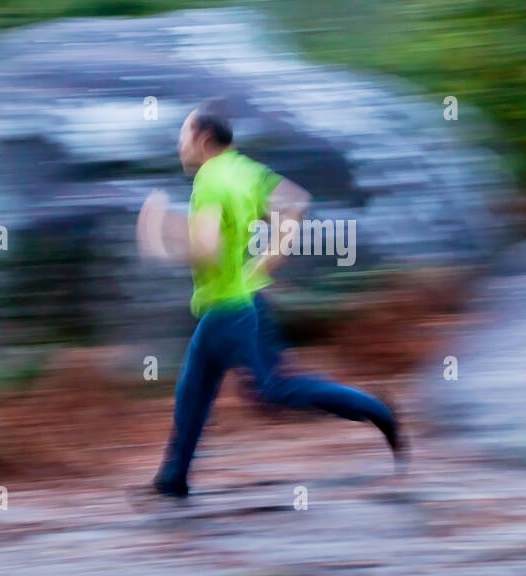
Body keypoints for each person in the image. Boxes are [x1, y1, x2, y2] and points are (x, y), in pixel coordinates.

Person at [136, 100, 404, 498]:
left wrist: (156, 238)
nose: (179, 146)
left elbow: (206, 249)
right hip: (236, 302)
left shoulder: (209, 178)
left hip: (231, 308)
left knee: (273, 389)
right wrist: (269, 259)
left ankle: (375, 409)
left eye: (182, 136)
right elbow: (295, 202)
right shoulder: (245, 170)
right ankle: (173, 479)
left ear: (204, 139)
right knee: (194, 390)